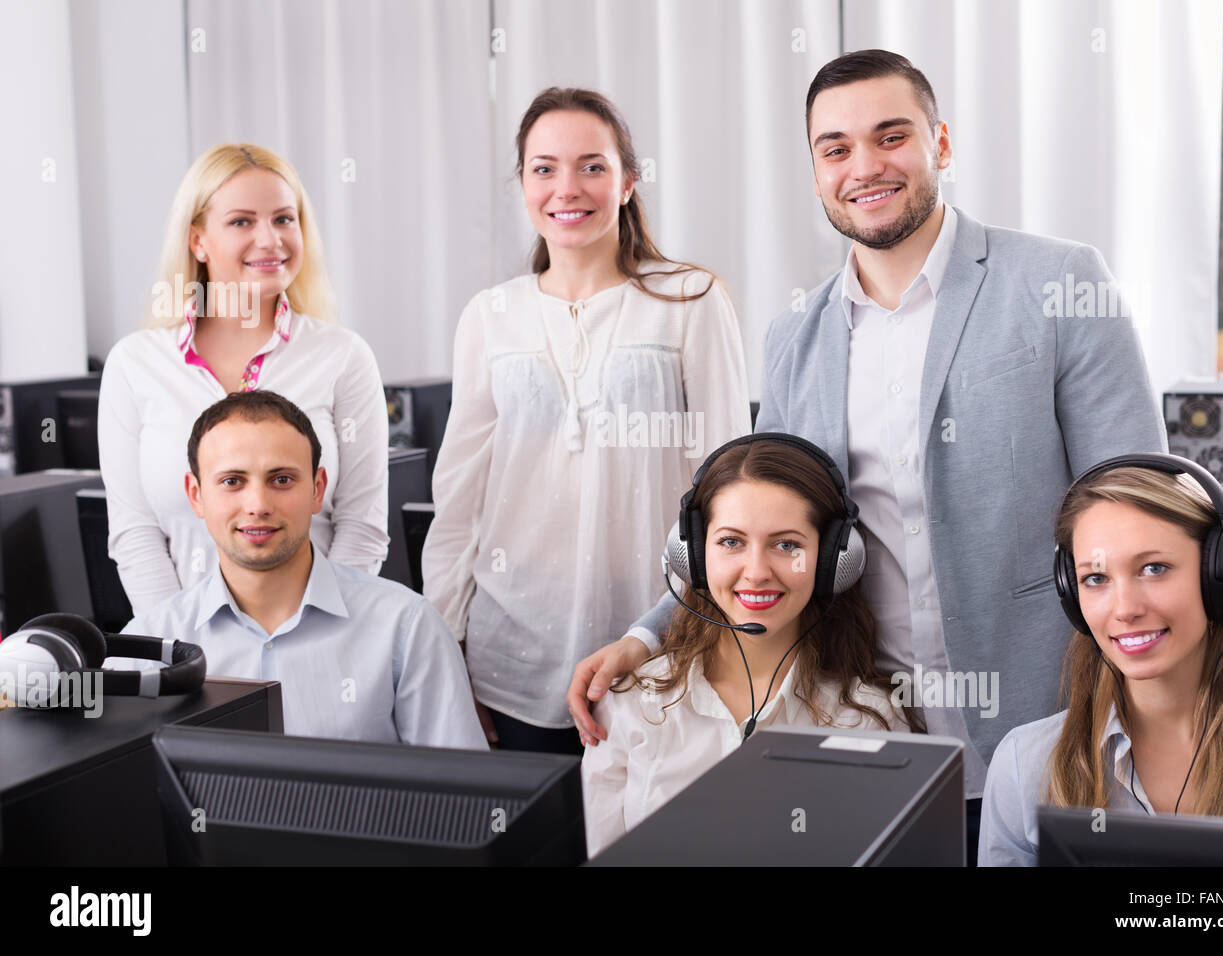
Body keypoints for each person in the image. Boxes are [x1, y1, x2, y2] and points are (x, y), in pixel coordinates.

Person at [567, 49, 1167, 862]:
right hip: (871, 739)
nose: (865, 167)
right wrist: (648, 634)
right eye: (836, 148)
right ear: (815, 170)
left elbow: (1142, 513)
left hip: (1046, 725)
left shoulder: (1057, 281)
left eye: (892, 136)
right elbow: (755, 523)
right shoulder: (796, 336)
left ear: (941, 144)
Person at [421, 87, 751, 754]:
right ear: (523, 185)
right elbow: (459, 499)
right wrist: (445, 648)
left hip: (656, 649)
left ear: (629, 180)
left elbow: (729, 489)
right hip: (508, 660)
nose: (566, 187)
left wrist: (698, 631)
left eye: (592, 166)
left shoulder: (690, 298)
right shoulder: (489, 316)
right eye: (544, 168)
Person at [582, 435, 920, 856]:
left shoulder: (870, 720)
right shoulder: (631, 703)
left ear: (833, 561)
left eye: (787, 545)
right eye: (731, 541)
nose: (757, 571)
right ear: (694, 555)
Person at [99, 143, 390, 616]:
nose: (270, 240)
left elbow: (363, 526)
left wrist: (325, 633)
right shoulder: (136, 363)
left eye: (283, 219)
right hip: (188, 651)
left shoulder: (343, 356)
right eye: (241, 222)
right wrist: (183, 648)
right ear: (198, 241)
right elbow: (135, 536)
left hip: (323, 636)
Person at [109, 390, 485, 749]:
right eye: (232, 481)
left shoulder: (407, 628)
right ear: (196, 495)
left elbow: (468, 796)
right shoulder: (149, 644)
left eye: (282, 480)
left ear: (317, 489)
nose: (257, 504)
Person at [978, 455, 1223, 866]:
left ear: (1221, 577)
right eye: (1095, 579)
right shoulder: (1025, 766)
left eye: (1153, 568)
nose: (1125, 608)